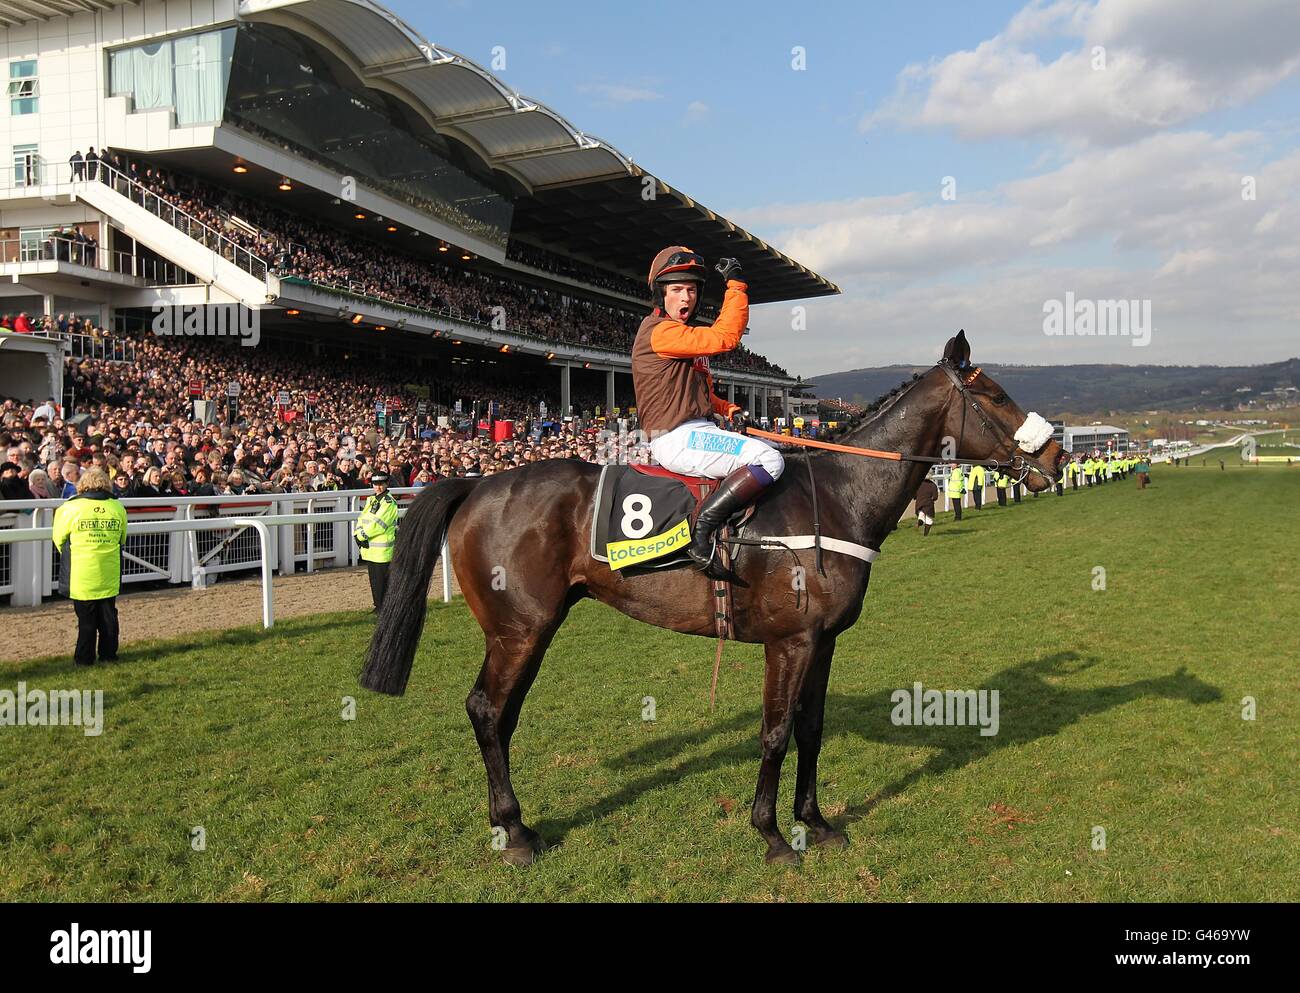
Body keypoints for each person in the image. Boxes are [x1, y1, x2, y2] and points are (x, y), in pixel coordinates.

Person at [632, 247, 782, 577]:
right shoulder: (662, 331)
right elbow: (726, 337)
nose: (685, 296)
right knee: (770, 460)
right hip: (678, 437)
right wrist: (737, 285)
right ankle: (700, 534)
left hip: (697, 430)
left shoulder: (680, 337)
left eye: (691, 289)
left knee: (774, 451)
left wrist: (731, 409)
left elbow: (703, 395)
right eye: (676, 289)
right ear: (661, 294)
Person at [51, 467, 127, 666]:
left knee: (86, 619)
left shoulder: (70, 508)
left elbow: (58, 538)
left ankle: (84, 659)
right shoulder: (117, 507)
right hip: (108, 569)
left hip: (81, 571)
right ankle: (109, 655)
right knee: (108, 616)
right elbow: (122, 537)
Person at [354, 471, 398, 610]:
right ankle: (378, 605)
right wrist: (358, 532)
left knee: (382, 582)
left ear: (386, 484)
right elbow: (362, 518)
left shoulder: (389, 502)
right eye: (375, 484)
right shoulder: (371, 499)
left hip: (382, 551)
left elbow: (379, 525)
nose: (378, 487)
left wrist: (361, 536)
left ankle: (385, 608)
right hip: (370, 549)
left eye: (381, 484)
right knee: (374, 581)